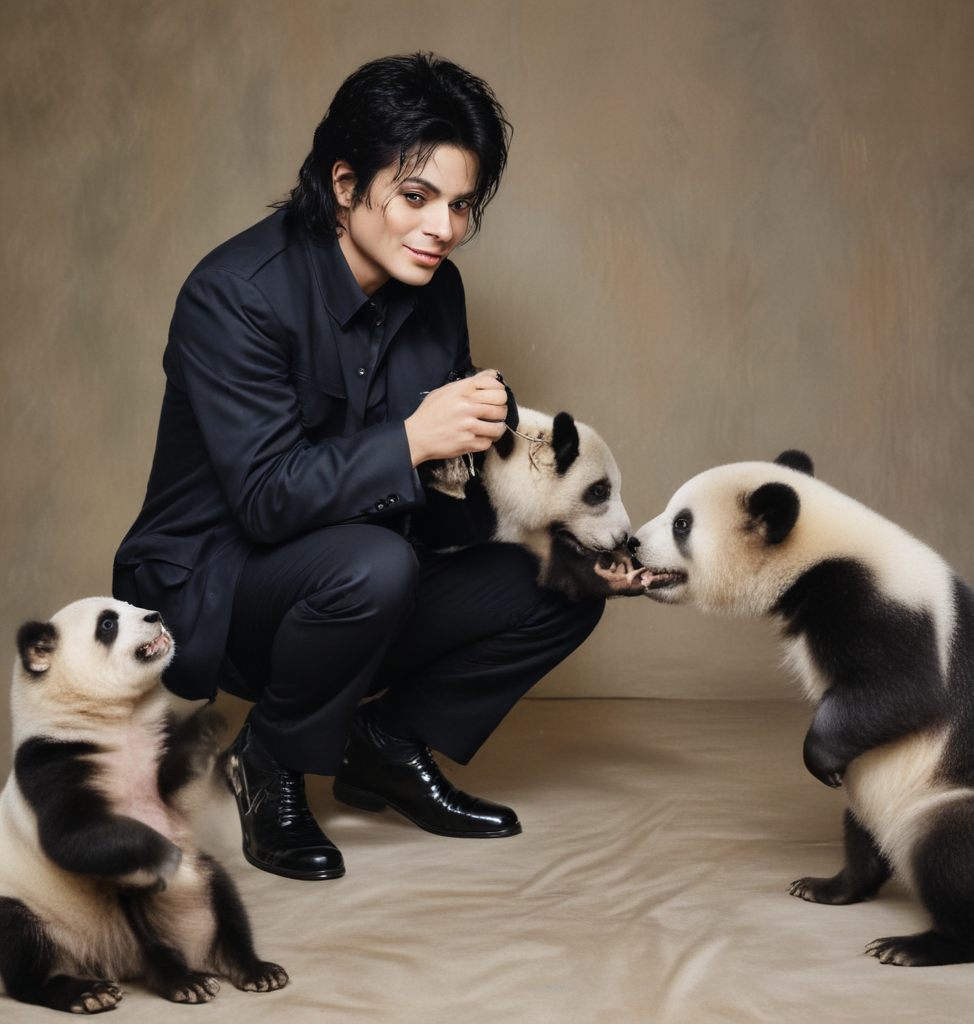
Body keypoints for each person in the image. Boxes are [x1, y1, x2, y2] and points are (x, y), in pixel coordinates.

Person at [113, 53, 605, 882]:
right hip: (220, 589)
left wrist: (518, 485)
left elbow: (441, 508)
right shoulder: (234, 292)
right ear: (344, 184)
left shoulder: (437, 292)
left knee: (565, 579)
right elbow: (266, 502)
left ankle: (384, 743)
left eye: (460, 205)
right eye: (416, 198)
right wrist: (415, 439)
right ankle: (266, 761)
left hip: (369, 575)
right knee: (373, 564)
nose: (442, 228)